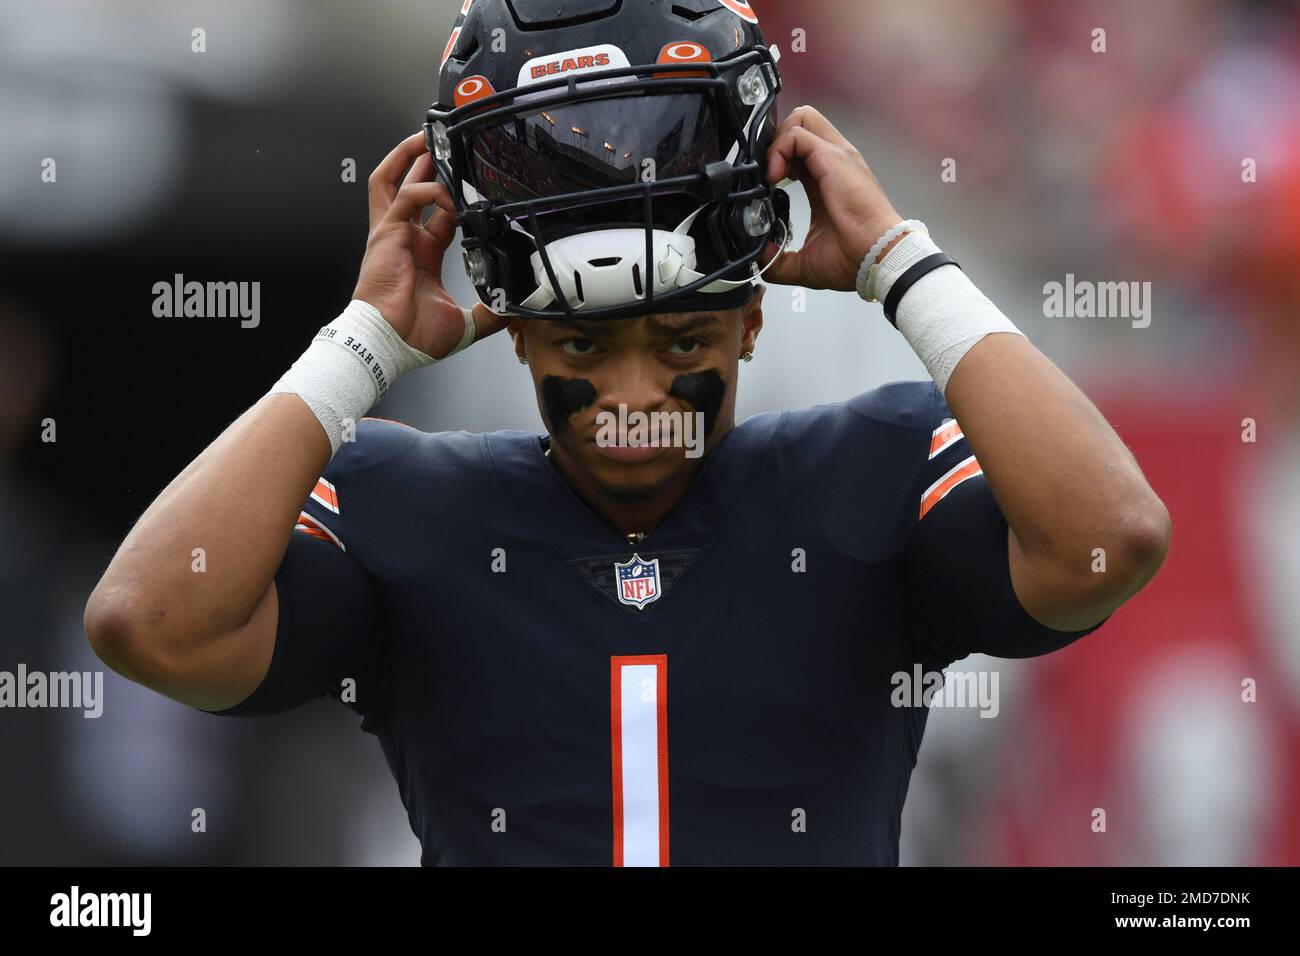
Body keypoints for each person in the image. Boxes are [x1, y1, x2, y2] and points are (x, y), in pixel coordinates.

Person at [83, 0, 1169, 866]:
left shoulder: (867, 473)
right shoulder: (405, 503)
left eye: (683, 337)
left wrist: (901, 263)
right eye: (583, 351)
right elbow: (150, 622)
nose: (634, 394)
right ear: (514, 337)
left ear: (752, 318)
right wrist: (357, 347)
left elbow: (1109, 537)